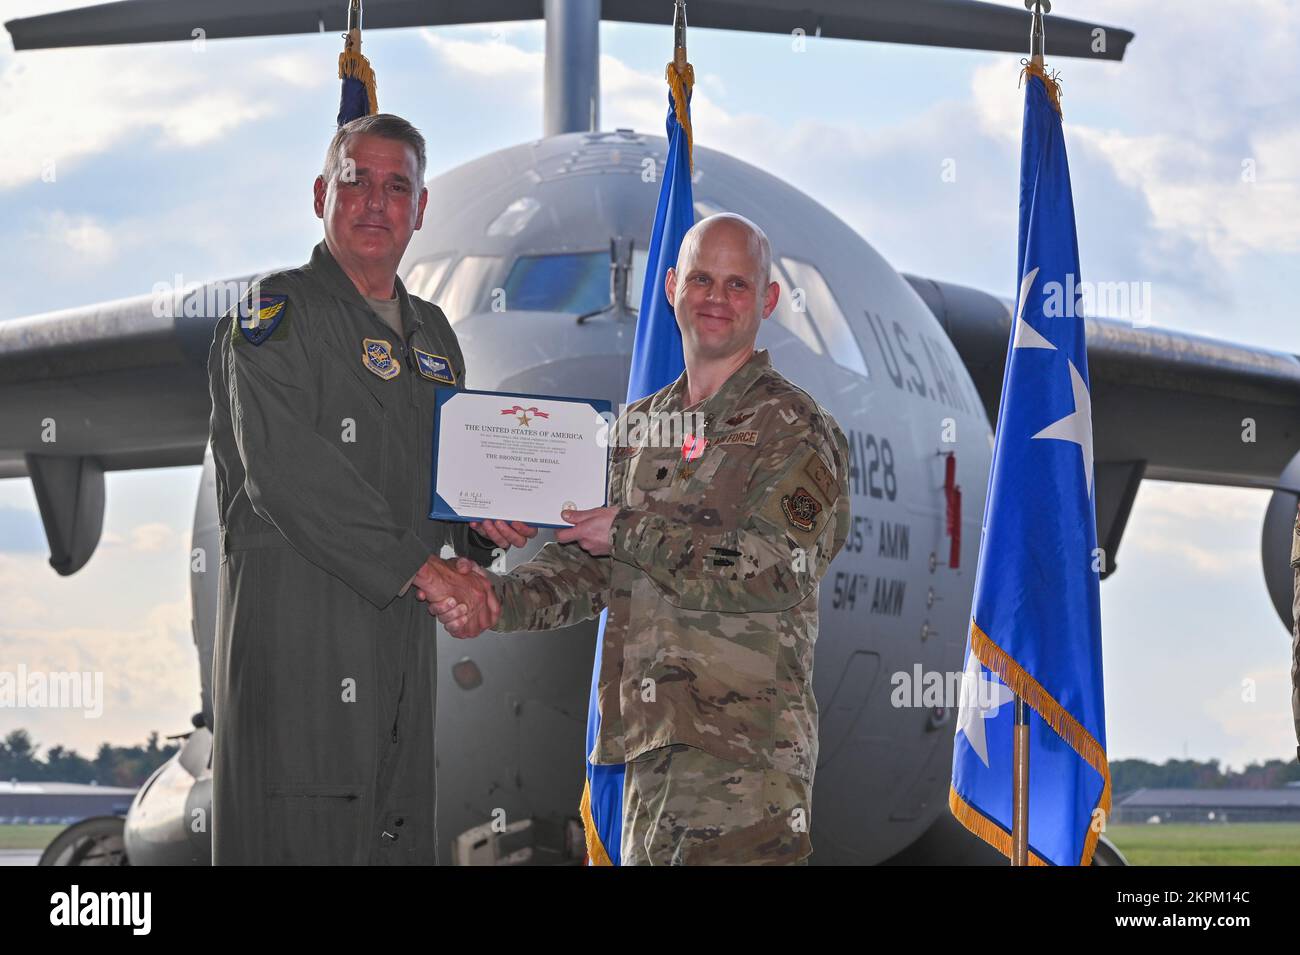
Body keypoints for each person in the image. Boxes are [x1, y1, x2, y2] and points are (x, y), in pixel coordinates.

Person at [436, 214, 851, 864]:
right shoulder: (636, 428)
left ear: (767, 300)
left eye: (737, 284)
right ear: (671, 287)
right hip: (646, 762)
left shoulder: (794, 428)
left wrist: (628, 531)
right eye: (702, 279)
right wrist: (494, 595)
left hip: (746, 775)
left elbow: (779, 567)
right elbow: (589, 568)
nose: (716, 298)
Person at [206, 113, 534, 864]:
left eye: (397, 187)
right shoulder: (275, 318)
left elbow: (442, 495)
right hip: (301, 657)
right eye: (356, 182)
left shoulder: (433, 337)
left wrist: (484, 522)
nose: (375, 202)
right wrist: (428, 571)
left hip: (400, 669)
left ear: (420, 210)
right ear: (323, 193)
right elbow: (288, 476)